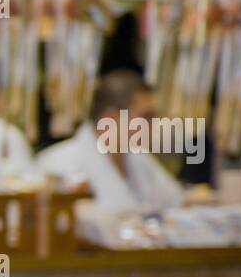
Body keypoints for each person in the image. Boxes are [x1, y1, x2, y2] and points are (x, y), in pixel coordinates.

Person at [36, 69, 185, 211]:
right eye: (145, 117)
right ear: (110, 118)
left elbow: (176, 201)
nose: (153, 125)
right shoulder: (58, 163)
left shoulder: (139, 159)